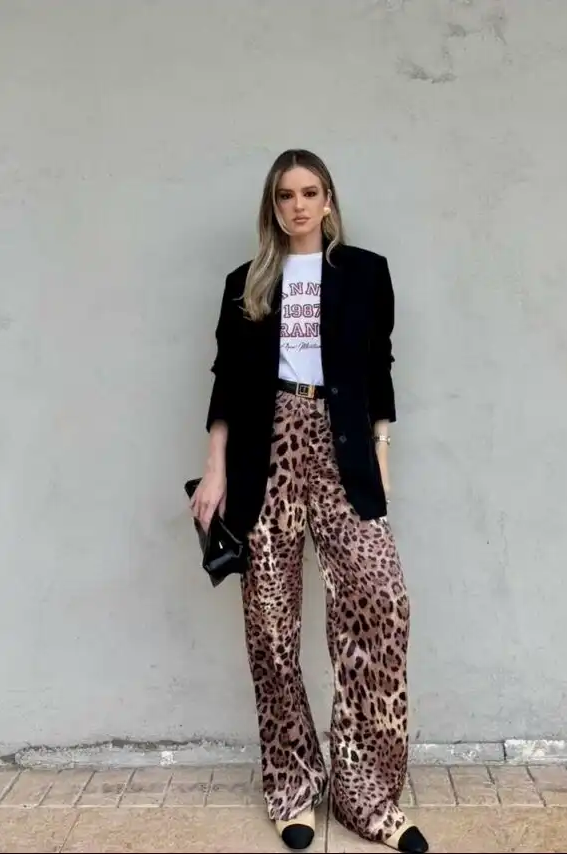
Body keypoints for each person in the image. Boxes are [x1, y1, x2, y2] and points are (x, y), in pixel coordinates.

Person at [190, 149, 428, 853]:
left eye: (309, 192)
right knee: (270, 626)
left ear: (328, 200)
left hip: (342, 445)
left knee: (382, 603)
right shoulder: (247, 283)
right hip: (267, 450)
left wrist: (381, 452)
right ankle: (292, 786)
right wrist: (214, 470)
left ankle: (366, 794)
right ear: (273, 206)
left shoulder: (365, 273)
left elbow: (379, 366)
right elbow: (228, 381)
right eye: (285, 195)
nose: (297, 205)